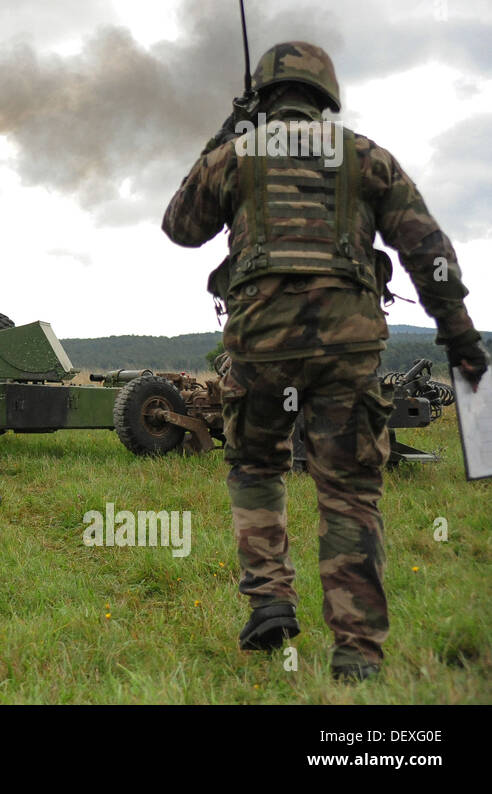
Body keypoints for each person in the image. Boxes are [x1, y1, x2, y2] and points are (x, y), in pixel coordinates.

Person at [162, 40, 487, 682]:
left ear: (263, 96)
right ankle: (357, 655)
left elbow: (181, 226)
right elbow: (429, 249)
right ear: (325, 96)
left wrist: (225, 135)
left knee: (255, 465)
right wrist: (460, 336)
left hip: (262, 345)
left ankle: (269, 601)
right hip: (349, 346)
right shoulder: (366, 157)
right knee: (350, 492)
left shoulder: (236, 156)